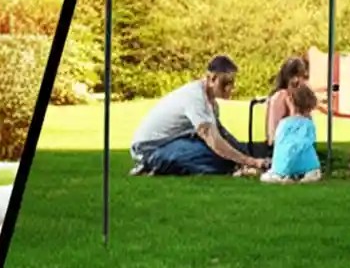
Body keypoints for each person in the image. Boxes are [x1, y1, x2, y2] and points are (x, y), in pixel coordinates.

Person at [129, 55, 269, 176]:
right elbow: (213, 140)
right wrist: (250, 161)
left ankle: (236, 167)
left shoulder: (211, 103)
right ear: (211, 79)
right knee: (211, 155)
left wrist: (250, 156)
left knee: (218, 153)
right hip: (150, 148)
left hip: (173, 142)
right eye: (226, 83)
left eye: (232, 82)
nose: (230, 88)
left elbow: (222, 134)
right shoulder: (195, 98)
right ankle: (149, 165)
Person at [261, 84, 322, 184]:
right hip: (306, 164)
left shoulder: (283, 123)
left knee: (268, 176)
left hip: (282, 166)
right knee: (313, 168)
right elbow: (311, 141)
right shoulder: (308, 124)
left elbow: (276, 141)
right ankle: (306, 176)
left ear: (290, 102)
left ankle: (283, 176)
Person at [265, 56, 311, 149]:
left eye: (302, 76)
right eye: (294, 75)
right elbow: (273, 136)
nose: (297, 80)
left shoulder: (299, 97)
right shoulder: (280, 96)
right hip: (283, 150)